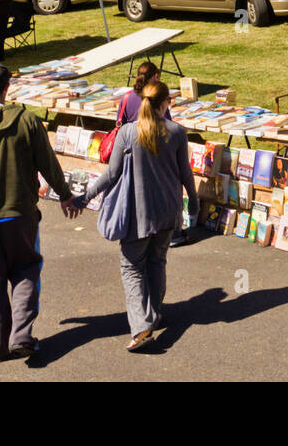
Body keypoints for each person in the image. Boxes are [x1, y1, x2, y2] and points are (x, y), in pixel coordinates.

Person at [0, 63, 81, 361]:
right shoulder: (26, 121)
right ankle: (22, 335)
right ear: (7, 88)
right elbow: (48, 162)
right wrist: (66, 195)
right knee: (26, 270)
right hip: (21, 214)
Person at [76, 80, 198, 352]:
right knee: (157, 262)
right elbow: (185, 173)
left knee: (132, 268)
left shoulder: (129, 133)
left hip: (138, 213)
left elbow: (111, 174)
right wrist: (194, 201)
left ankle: (141, 328)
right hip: (168, 211)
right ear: (165, 103)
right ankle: (152, 316)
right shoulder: (177, 132)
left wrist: (85, 196)